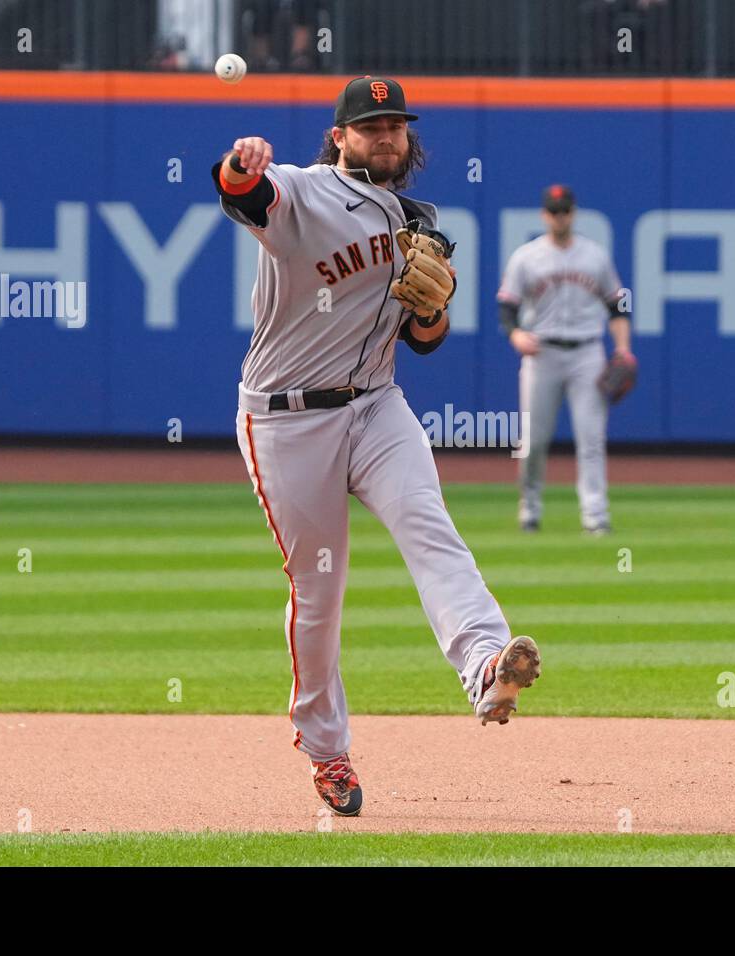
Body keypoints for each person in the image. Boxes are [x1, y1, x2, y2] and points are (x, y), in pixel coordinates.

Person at [211, 76, 542, 817]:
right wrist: (242, 165)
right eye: (370, 126)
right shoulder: (301, 193)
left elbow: (424, 342)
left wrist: (433, 308)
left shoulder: (419, 220)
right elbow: (243, 196)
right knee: (319, 594)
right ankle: (326, 753)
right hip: (287, 420)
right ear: (340, 137)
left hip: (376, 408)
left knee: (431, 528)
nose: (386, 136)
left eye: (395, 125)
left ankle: (486, 666)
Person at [497, 185, 632, 535]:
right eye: (554, 211)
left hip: (587, 352)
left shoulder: (595, 256)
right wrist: (515, 334)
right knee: (534, 440)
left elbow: (618, 305)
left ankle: (595, 516)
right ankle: (530, 508)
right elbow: (507, 306)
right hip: (542, 353)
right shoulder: (526, 257)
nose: (560, 216)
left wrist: (622, 349)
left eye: (565, 210)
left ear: (574, 212)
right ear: (544, 215)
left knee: (591, 438)